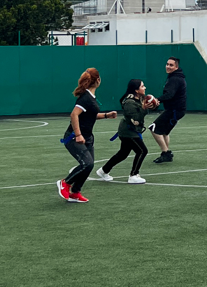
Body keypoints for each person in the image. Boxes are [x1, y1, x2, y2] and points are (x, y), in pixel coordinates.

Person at [58, 68, 116, 203]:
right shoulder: (86, 98)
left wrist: (107, 115)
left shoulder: (90, 97)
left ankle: (75, 192)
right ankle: (65, 183)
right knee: (87, 163)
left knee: (89, 165)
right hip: (75, 137)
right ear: (98, 80)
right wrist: (78, 135)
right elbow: (74, 114)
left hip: (88, 137)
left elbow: (90, 115)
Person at [96, 79, 153, 184]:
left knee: (123, 154)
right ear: (136, 90)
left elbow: (146, 107)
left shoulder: (139, 98)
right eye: (142, 86)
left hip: (130, 130)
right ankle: (134, 175)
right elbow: (135, 119)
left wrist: (153, 103)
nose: (144, 88)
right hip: (128, 131)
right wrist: (144, 109)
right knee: (142, 151)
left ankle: (104, 170)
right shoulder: (129, 102)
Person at [150, 56, 187, 164]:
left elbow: (169, 94)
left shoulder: (175, 78)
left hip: (174, 110)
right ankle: (167, 154)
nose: (168, 66)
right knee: (164, 132)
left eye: (171, 65)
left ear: (176, 67)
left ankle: (165, 153)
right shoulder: (177, 77)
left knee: (153, 128)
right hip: (178, 110)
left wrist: (157, 100)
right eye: (167, 64)